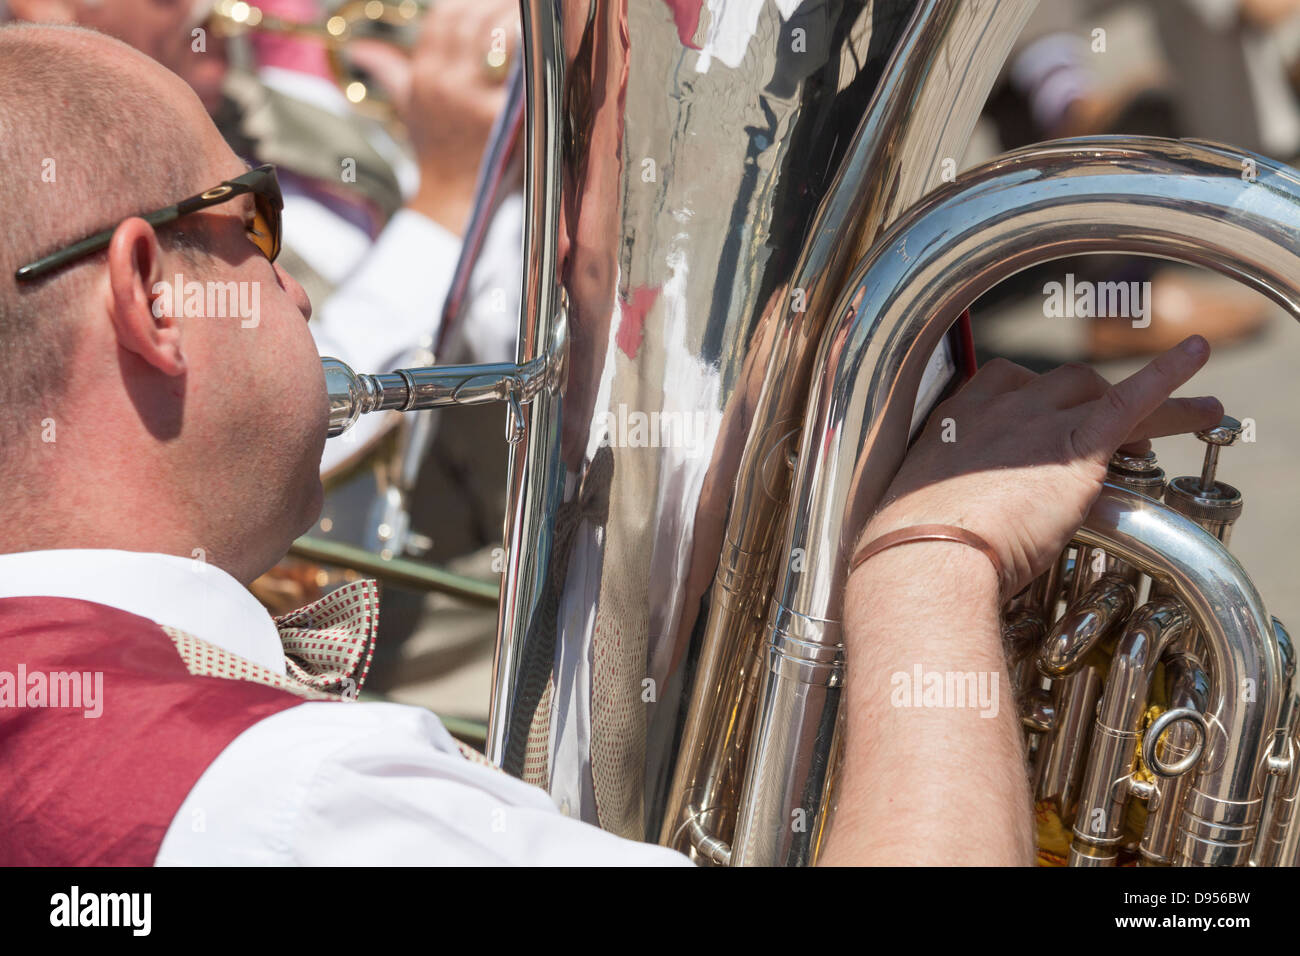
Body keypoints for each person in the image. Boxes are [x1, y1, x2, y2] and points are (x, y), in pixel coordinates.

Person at [0, 23, 1224, 865]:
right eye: (253, 224)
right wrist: (930, 563)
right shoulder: (286, 803)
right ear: (152, 293)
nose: (302, 292)